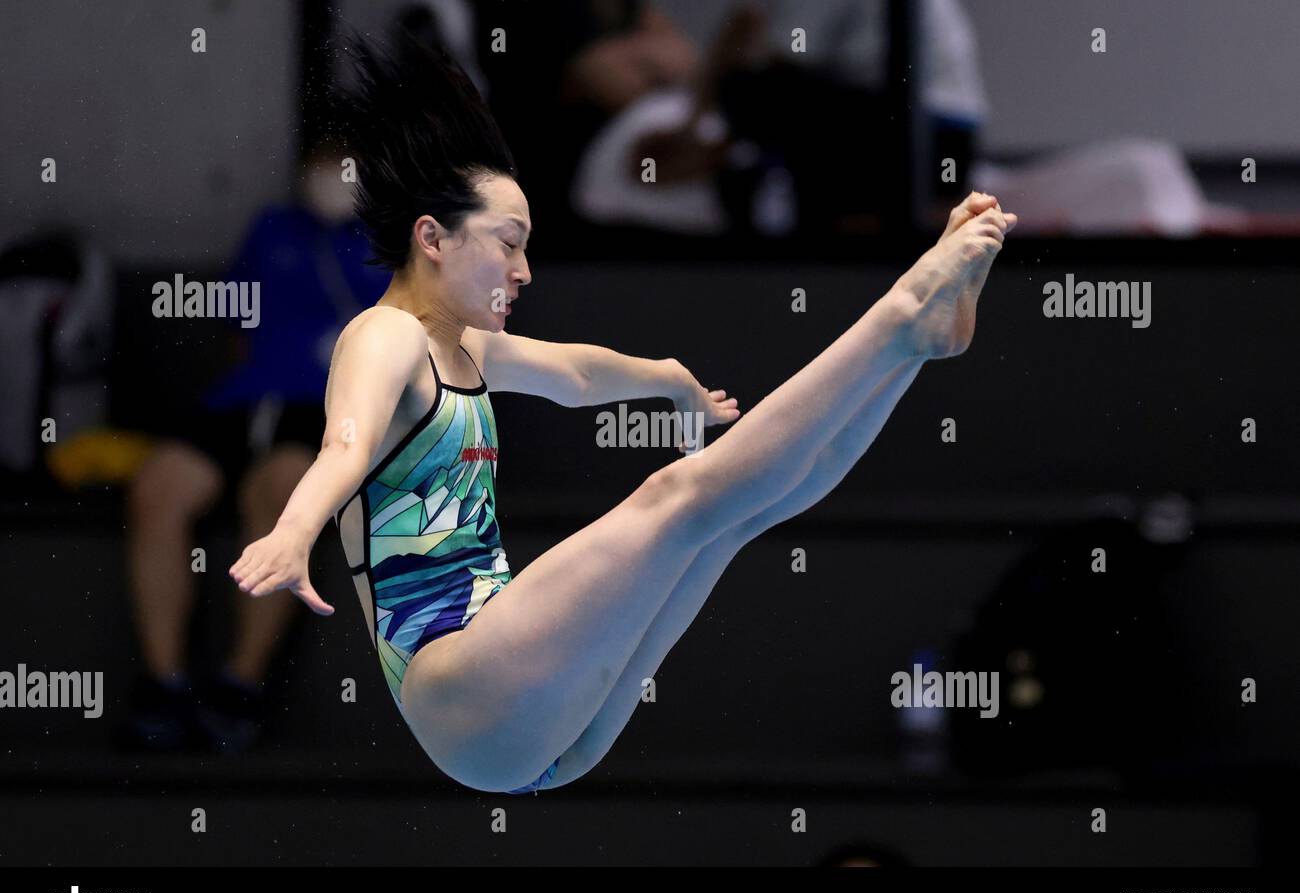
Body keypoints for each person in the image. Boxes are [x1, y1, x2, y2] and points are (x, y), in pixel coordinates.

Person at [228, 36, 1015, 794]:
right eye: (508, 243)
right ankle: (905, 310)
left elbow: (573, 371)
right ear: (431, 238)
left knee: (729, 519)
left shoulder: (461, 347)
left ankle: (911, 350)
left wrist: (665, 377)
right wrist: (295, 534)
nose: (523, 269)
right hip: (463, 687)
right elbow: (345, 441)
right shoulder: (383, 335)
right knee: (678, 497)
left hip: (534, 719)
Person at [119, 139, 389, 753]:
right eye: (322, 164)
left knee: (282, 491)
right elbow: (239, 331)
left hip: (322, 410)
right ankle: (164, 684)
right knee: (159, 486)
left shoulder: (396, 238)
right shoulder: (272, 230)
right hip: (241, 403)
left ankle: (240, 685)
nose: (329, 177)